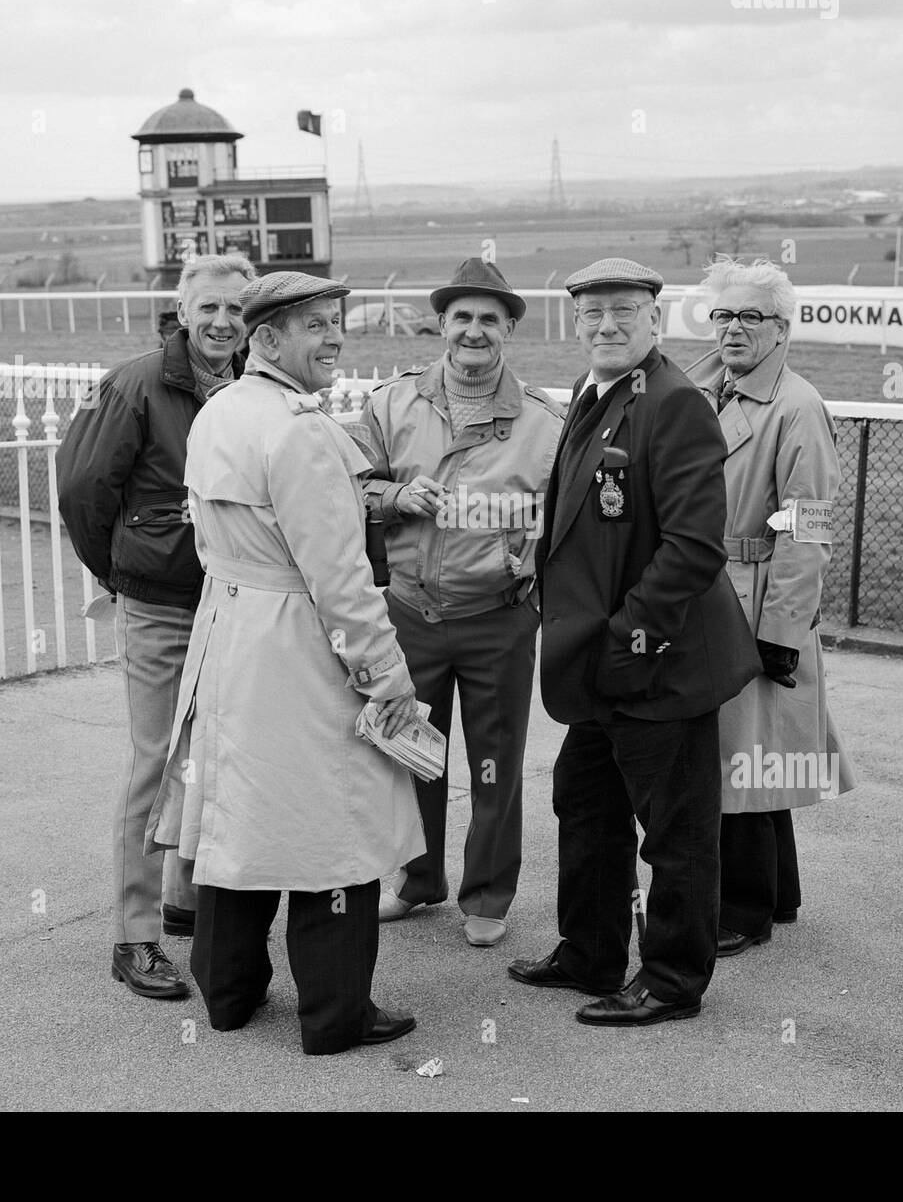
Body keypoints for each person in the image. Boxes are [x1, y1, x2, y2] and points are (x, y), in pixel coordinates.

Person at [146, 271, 423, 1055]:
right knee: (332, 823)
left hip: (230, 630)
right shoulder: (298, 429)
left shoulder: (223, 410)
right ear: (266, 340)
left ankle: (229, 993)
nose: (333, 337)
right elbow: (339, 578)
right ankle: (336, 1013)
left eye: (335, 321)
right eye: (312, 326)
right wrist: (387, 676)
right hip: (294, 638)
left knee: (235, 816)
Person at [508, 258, 761, 1027]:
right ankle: (589, 951)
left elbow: (692, 547)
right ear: (576, 323)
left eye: (624, 312)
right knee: (585, 805)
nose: (607, 326)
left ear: (656, 320)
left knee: (676, 831)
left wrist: (628, 641)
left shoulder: (675, 403)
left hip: (657, 661)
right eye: (593, 314)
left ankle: (674, 980)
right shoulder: (595, 394)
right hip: (599, 659)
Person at [56, 252, 255, 999]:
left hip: (228, 602)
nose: (223, 321)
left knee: (213, 753)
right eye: (209, 307)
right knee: (155, 763)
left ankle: (185, 897)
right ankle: (133, 935)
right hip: (159, 604)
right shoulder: (137, 383)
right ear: (182, 309)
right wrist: (119, 572)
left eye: (237, 308)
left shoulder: (248, 387)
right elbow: (82, 489)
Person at [350, 258, 563, 948]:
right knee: (412, 750)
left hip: (499, 617)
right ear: (441, 324)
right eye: (463, 317)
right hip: (411, 614)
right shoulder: (391, 403)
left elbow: (566, 524)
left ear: (509, 332)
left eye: (490, 320)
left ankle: (489, 893)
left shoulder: (544, 425)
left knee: (495, 763)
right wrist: (392, 497)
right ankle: (417, 880)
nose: (475, 331)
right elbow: (344, 481)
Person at [685, 257, 855, 956]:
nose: (731, 329)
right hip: (708, 590)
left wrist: (783, 628)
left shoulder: (796, 406)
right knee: (758, 752)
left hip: (753, 596)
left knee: (743, 758)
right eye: (723, 315)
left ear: (782, 329)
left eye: (749, 317)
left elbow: (809, 523)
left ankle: (744, 911)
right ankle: (778, 893)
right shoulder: (704, 387)